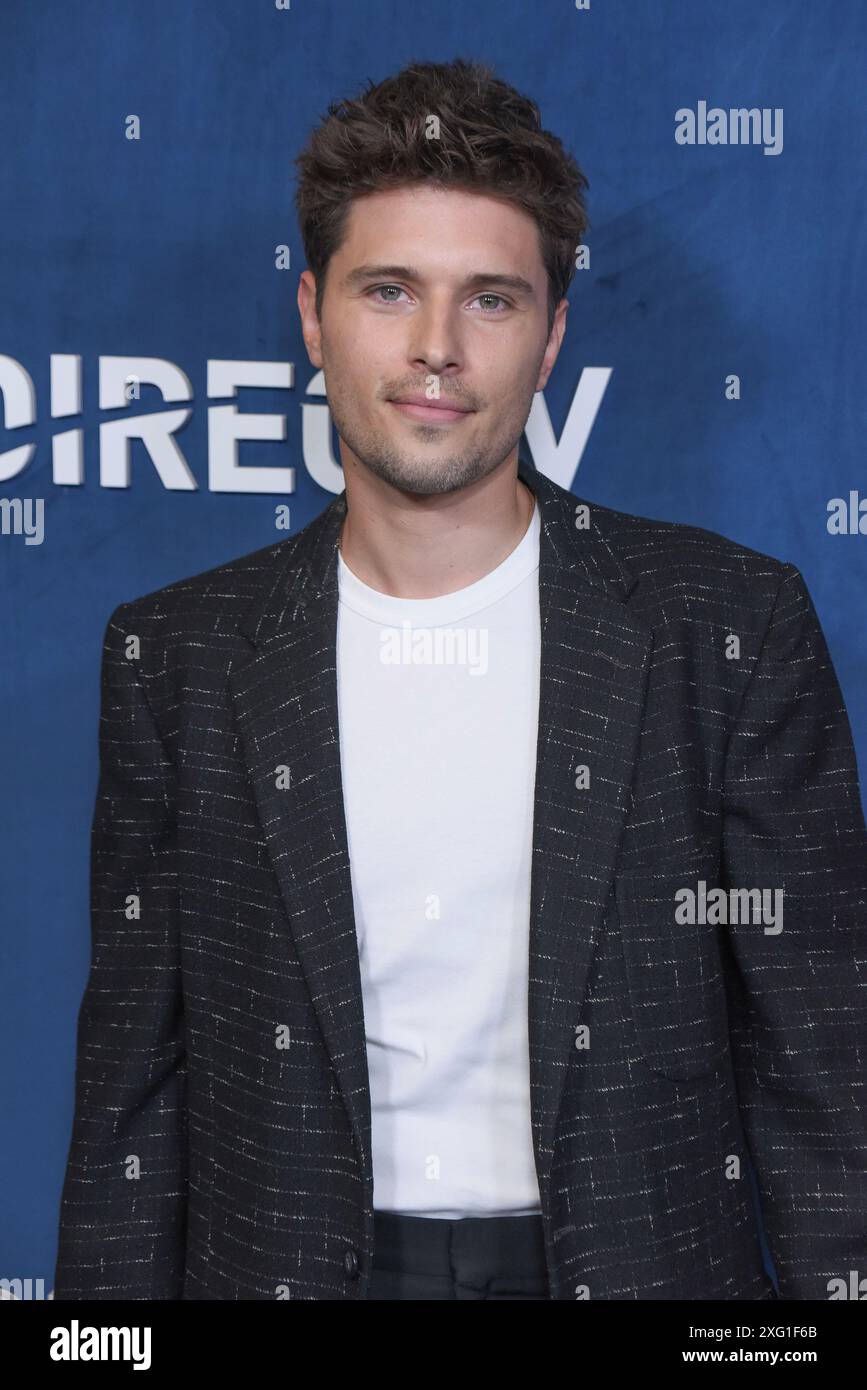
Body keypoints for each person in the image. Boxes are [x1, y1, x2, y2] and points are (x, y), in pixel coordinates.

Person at [54, 57, 867, 1301]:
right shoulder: (178, 653)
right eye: (392, 291)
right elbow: (131, 1090)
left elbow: (820, 1060)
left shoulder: (727, 623)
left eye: (490, 301)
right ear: (315, 315)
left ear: (550, 340)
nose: (436, 348)